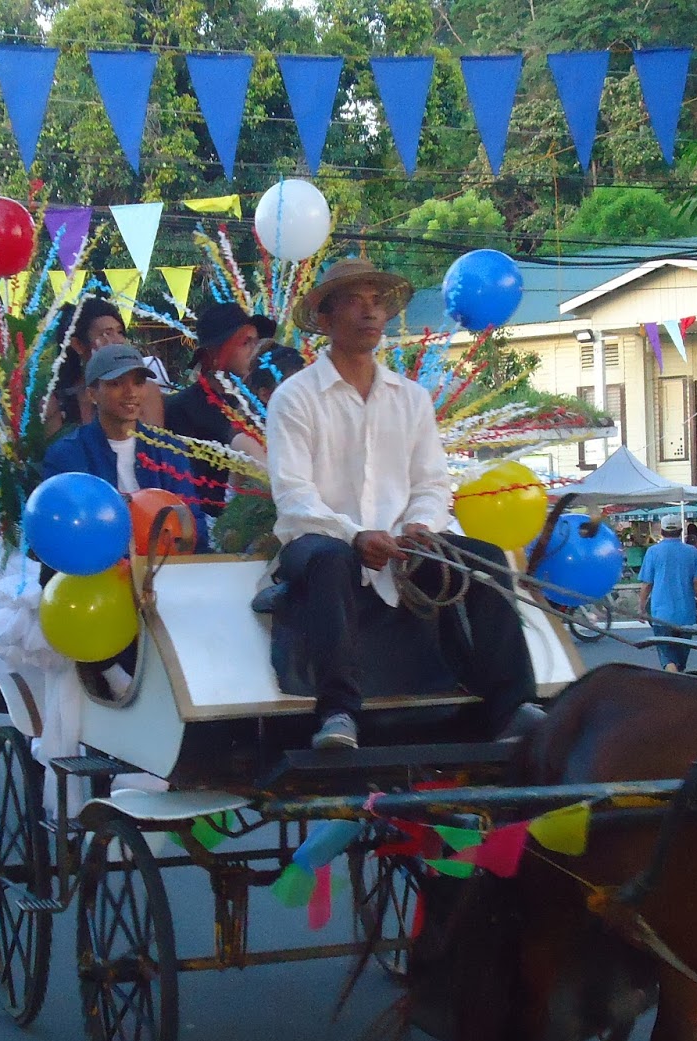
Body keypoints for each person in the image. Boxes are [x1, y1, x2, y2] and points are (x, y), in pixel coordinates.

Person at [266, 257, 536, 752]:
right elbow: (294, 495)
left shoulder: (410, 399)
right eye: (354, 301)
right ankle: (338, 713)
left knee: (485, 559)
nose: (370, 312)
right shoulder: (294, 398)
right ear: (325, 319)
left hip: (404, 545)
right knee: (330, 560)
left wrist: (420, 527)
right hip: (320, 539)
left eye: (376, 302)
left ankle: (513, 706)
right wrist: (355, 536)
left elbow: (431, 484)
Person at [41, 343, 208, 546]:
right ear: (92, 394)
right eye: (116, 384)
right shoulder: (66, 454)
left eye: (138, 383)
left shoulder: (169, 449)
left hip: (165, 560)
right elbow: (64, 531)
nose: (131, 392)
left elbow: (192, 522)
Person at [164, 301, 277, 514]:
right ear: (216, 352)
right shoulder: (181, 408)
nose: (254, 351)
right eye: (245, 343)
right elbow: (186, 483)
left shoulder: (260, 400)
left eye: (256, 342)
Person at [46, 296, 129, 433]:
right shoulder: (55, 402)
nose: (119, 340)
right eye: (106, 334)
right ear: (77, 345)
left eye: (120, 332)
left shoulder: (142, 393)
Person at [637, 516, 697, 672]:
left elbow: (647, 584)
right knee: (681, 661)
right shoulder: (692, 552)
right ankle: (677, 679)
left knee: (668, 658)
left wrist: (641, 608)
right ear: (681, 531)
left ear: (662, 532)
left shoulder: (652, 552)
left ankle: (673, 680)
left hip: (661, 614)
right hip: (686, 613)